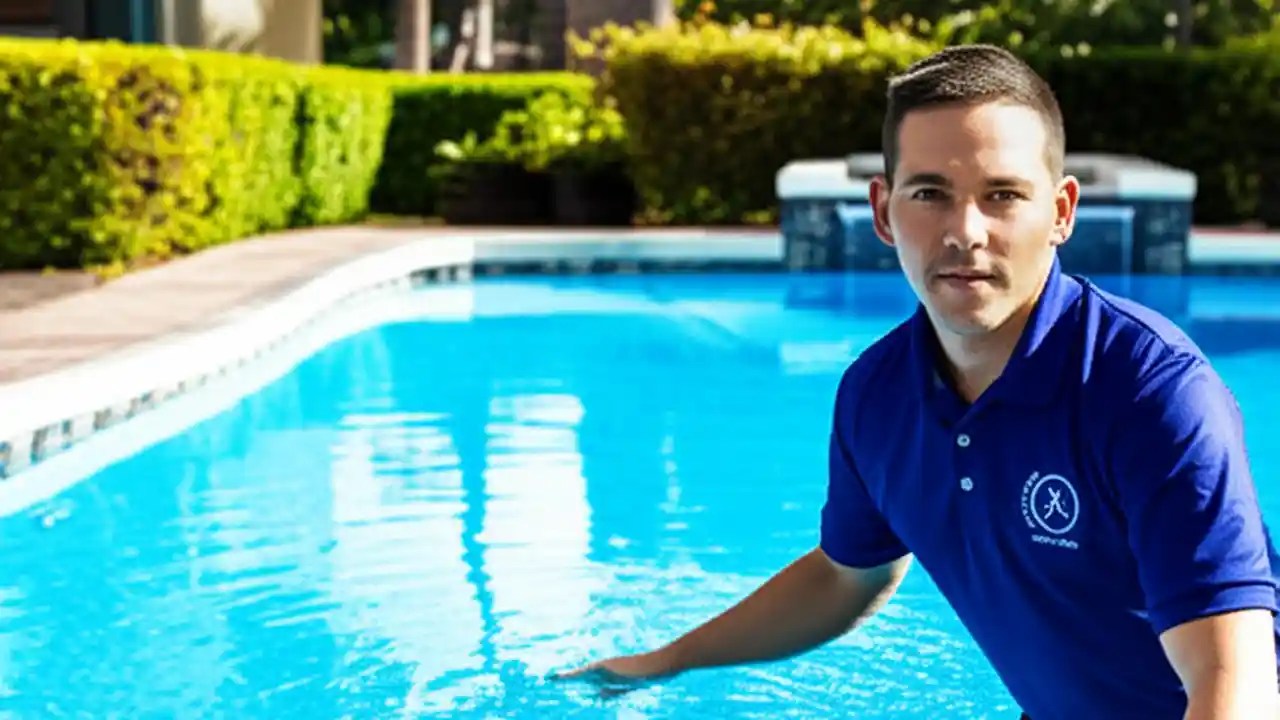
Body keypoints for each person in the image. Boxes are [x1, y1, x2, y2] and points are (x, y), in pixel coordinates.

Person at [552, 44, 1280, 719]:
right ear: (882, 211)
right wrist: (667, 662)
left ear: (1060, 212)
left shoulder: (1147, 390)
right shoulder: (877, 395)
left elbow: (1232, 680)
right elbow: (846, 578)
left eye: (1002, 195)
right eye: (931, 193)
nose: (966, 230)